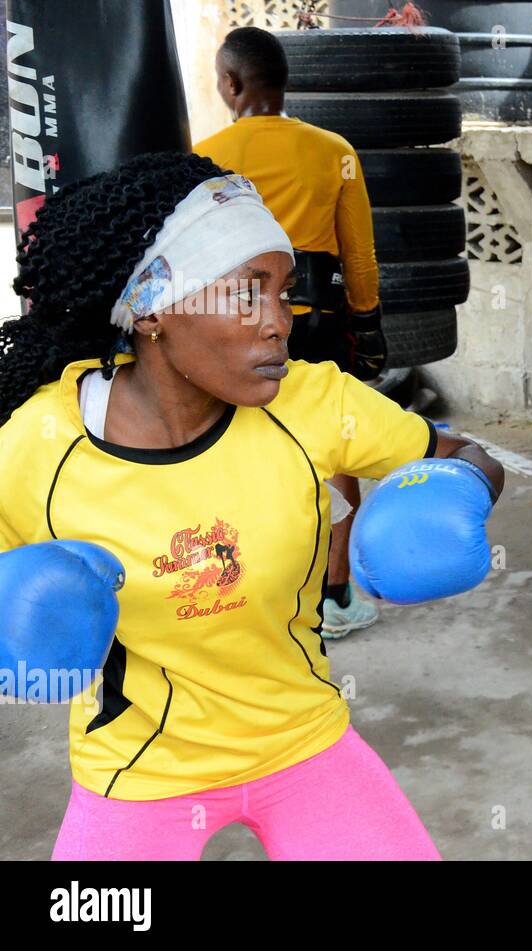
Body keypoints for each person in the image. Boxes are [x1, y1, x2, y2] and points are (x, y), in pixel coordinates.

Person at [0, 152, 504, 860]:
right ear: (152, 309)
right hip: (138, 772)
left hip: (302, 739)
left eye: (285, 292)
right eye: (247, 293)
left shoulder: (312, 403)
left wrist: (457, 493)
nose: (280, 322)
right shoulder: (39, 446)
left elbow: (465, 454)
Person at [194, 27, 385, 638]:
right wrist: (369, 321)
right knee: (333, 445)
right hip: (318, 323)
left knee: (226, 445)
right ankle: (334, 596)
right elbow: (359, 255)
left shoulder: (202, 155)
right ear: (285, 84)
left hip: (233, 329)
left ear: (230, 83)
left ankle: (244, 592)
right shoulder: (335, 150)